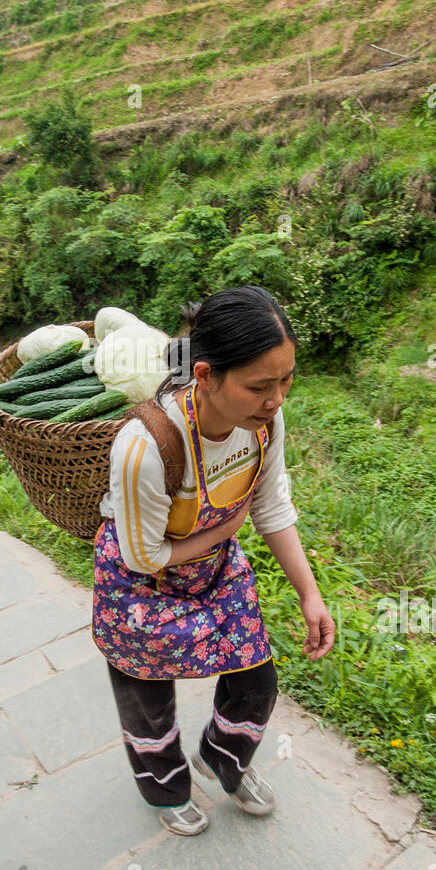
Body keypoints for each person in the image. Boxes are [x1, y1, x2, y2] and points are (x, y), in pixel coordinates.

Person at [92, 284, 336, 836]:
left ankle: (222, 758)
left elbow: (272, 505)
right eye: (259, 386)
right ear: (204, 375)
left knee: (256, 679)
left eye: (286, 379)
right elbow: (142, 553)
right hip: (139, 584)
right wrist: (224, 529)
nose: (276, 398)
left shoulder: (264, 424)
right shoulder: (146, 445)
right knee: (148, 698)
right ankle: (166, 789)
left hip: (212, 569)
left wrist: (310, 593)